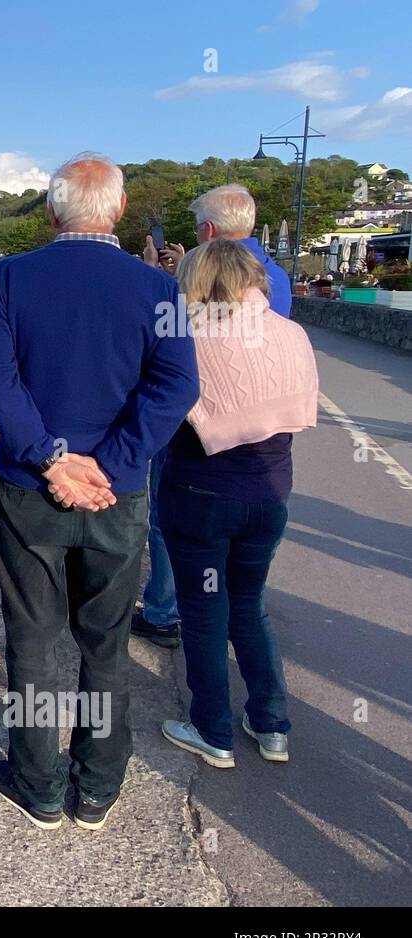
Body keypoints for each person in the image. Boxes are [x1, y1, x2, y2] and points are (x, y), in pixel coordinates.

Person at [0, 152, 199, 831]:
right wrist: (117, 462)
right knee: (104, 643)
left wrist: (51, 458)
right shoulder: (159, 289)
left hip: (27, 490)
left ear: (52, 211)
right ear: (121, 212)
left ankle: (40, 786)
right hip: (118, 495)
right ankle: (96, 789)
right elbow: (178, 385)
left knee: (34, 642)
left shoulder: (11, 278)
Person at [159, 239, 318, 768]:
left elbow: (163, 413)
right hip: (269, 495)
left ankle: (212, 730)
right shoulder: (290, 333)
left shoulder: (191, 337)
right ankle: (272, 725)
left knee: (204, 611)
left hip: (200, 495)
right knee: (249, 605)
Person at [135, 184, 293, 651]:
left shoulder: (199, 282)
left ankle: (165, 612)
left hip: (199, 430)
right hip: (266, 442)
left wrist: (155, 278)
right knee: (246, 590)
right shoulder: (276, 276)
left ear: (206, 228)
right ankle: (266, 710)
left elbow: (174, 344)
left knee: (167, 522)